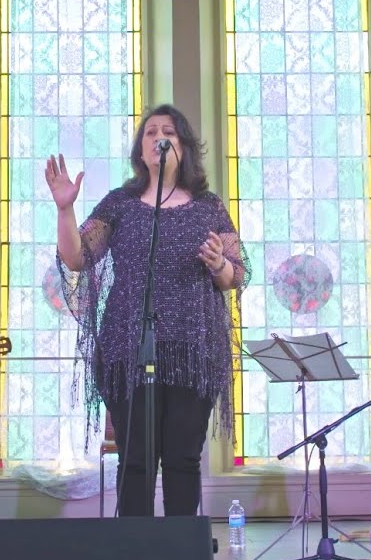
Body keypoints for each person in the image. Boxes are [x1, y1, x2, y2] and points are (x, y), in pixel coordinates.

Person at [47, 103, 249, 517]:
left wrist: (219, 265)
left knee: (182, 460)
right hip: (128, 347)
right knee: (136, 462)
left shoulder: (209, 206)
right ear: (141, 150)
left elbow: (237, 274)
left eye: (170, 132)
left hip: (194, 350)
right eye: (151, 131)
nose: (160, 137)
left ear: (183, 147)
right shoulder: (119, 203)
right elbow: (77, 258)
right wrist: (65, 209)